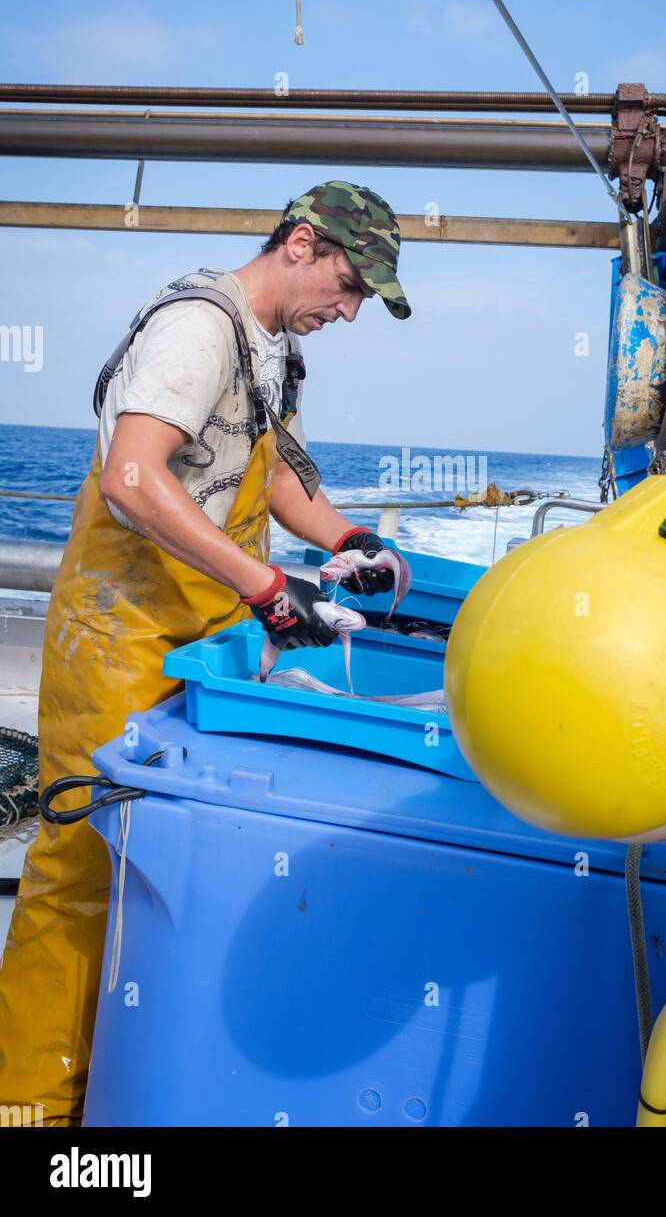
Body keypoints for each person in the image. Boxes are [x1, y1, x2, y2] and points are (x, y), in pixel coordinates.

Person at [0, 180, 411, 1125]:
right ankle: (32, 1107)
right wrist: (266, 588)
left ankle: (127, 1081)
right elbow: (134, 477)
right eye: (348, 284)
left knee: (163, 863)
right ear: (301, 244)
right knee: (84, 870)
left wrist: (346, 538)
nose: (346, 311)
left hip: (205, 642)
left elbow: (278, 482)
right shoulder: (199, 327)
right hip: (122, 633)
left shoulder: (279, 353)